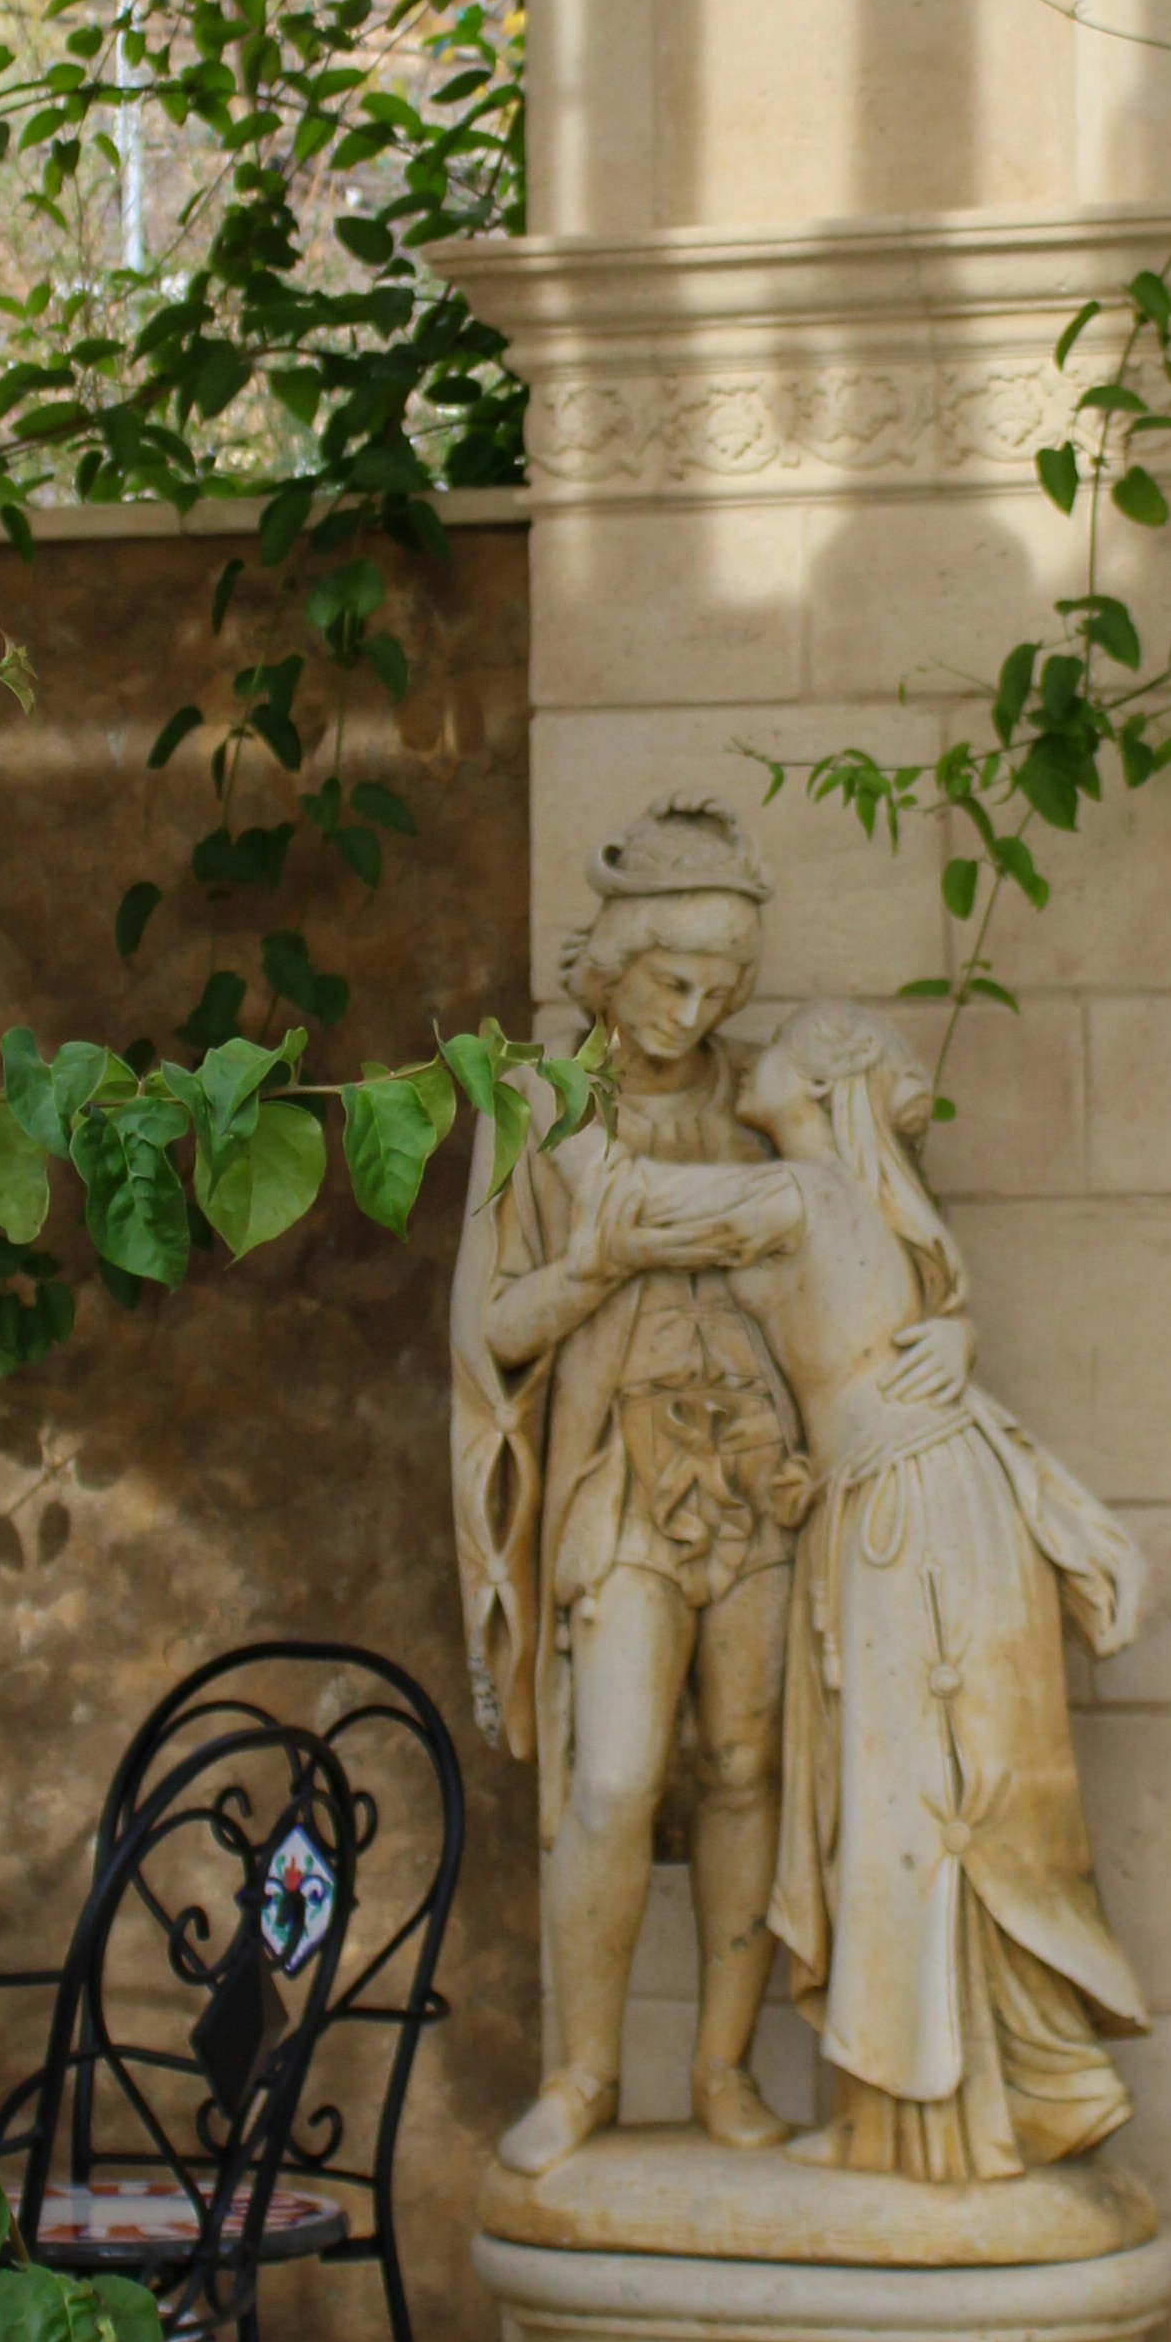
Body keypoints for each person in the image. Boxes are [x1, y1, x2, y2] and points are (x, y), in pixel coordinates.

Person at [594, 997, 1151, 2186]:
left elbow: (623, 1205)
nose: (758, 1043)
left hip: (912, 1520)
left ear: (817, 1080)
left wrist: (553, 1085)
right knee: (936, 1790)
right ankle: (971, 2112)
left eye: (785, 1036)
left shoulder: (796, 1195)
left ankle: (952, 2120)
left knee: (919, 1797)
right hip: (918, 1503)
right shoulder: (864, 1207)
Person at [451, 798, 811, 2173]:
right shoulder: (538, 1099)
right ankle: (586, 2071)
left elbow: (843, 1241)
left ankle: (718, 2071)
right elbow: (493, 1326)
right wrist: (601, 1265)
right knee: (613, 1777)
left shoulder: (766, 1096)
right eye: (673, 979)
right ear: (612, 961)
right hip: (621, 1465)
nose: (695, 1008)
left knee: (744, 1760)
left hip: (758, 1462)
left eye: (722, 987)